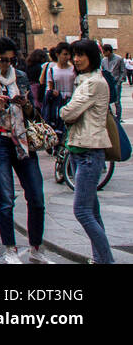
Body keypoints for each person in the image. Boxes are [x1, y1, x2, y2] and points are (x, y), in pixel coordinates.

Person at [0, 37, 50, 264]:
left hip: (23, 141)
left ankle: (36, 248)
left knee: (36, 197)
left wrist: (25, 105)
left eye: (10, 60)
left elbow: (34, 113)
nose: (6, 65)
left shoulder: (21, 78)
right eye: (2, 60)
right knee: (6, 199)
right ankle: (10, 250)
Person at [61, 38, 114, 264]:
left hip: (89, 152)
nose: (76, 59)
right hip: (79, 149)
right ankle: (100, 259)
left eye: (81, 54)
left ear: (92, 57)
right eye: (75, 54)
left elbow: (68, 113)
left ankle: (107, 261)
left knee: (82, 211)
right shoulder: (84, 80)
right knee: (92, 211)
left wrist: (64, 110)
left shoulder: (93, 83)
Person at [100, 43, 124, 120]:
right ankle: (109, 116)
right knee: (106, 100)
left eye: (104, 52)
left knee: (117, 101)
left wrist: (119, 81)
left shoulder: (119, 59)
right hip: (107, 82)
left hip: (116, 82)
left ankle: (118, 117)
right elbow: (103, 70)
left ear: (109, 51)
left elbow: (123, 71)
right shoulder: (103, 60)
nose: (103, 54)